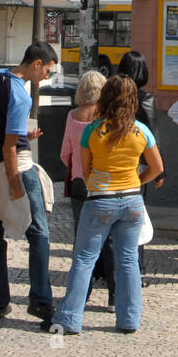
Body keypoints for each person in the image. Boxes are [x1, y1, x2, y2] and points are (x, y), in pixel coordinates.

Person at [50, 76, 164, 335]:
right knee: (128, 260)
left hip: (101, 199)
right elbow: (157, 168)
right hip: (132, 200)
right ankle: (129, 319)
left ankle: (69, 318)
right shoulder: (141, 131)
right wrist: (137, 181)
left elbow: (85, 170)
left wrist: (97, 185)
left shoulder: (93, 130)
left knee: (84, 259)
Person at [0, 41, 59, 323]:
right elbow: (9, 147)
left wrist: (24, 137)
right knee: (38, 234)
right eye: (47, 71)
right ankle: (41, 300)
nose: (47, 78)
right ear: (36, 63)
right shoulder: (20, 95)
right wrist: (15, 184)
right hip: (15, 168)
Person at [60, 69, 114, 308]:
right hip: (103, 182)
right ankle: (114, 294)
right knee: (111, 238)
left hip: (79, 182)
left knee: (82, 240)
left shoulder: (72, 116)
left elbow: (65, 154)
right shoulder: (106, 116)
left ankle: (82, 293)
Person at [118, 50, 157, 285]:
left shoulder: (111, 95)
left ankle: (109, 268)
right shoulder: (144, 98)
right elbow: (152, 136)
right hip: (138, 164)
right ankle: (136, 269)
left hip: (111, 162)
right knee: (136, 218)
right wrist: (159, 169)